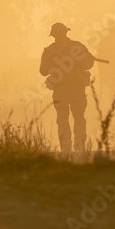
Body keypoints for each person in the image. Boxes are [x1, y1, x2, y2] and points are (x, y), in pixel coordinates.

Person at [40, 22, 95, 154]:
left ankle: (80, 146)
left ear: (65, 33)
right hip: (61, 89)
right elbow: (43, 71)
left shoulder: (77, 47)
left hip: (76, 88)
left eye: (60, 33)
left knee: (78, 117)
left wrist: (78, 61)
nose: (59, 36)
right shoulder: (50, 51)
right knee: (63, 118)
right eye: (57, 34)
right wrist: (55, 63)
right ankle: (66, 148)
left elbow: (89, 63)